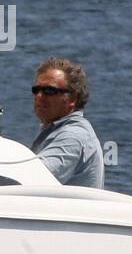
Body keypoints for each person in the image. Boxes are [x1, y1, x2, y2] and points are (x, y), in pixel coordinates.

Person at [30, 57, 104, 188]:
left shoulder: (73, 136)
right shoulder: (55, 131)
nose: (39, 96)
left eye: (49, 91)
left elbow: (32, 179)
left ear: (72, 98)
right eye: (36, 90)